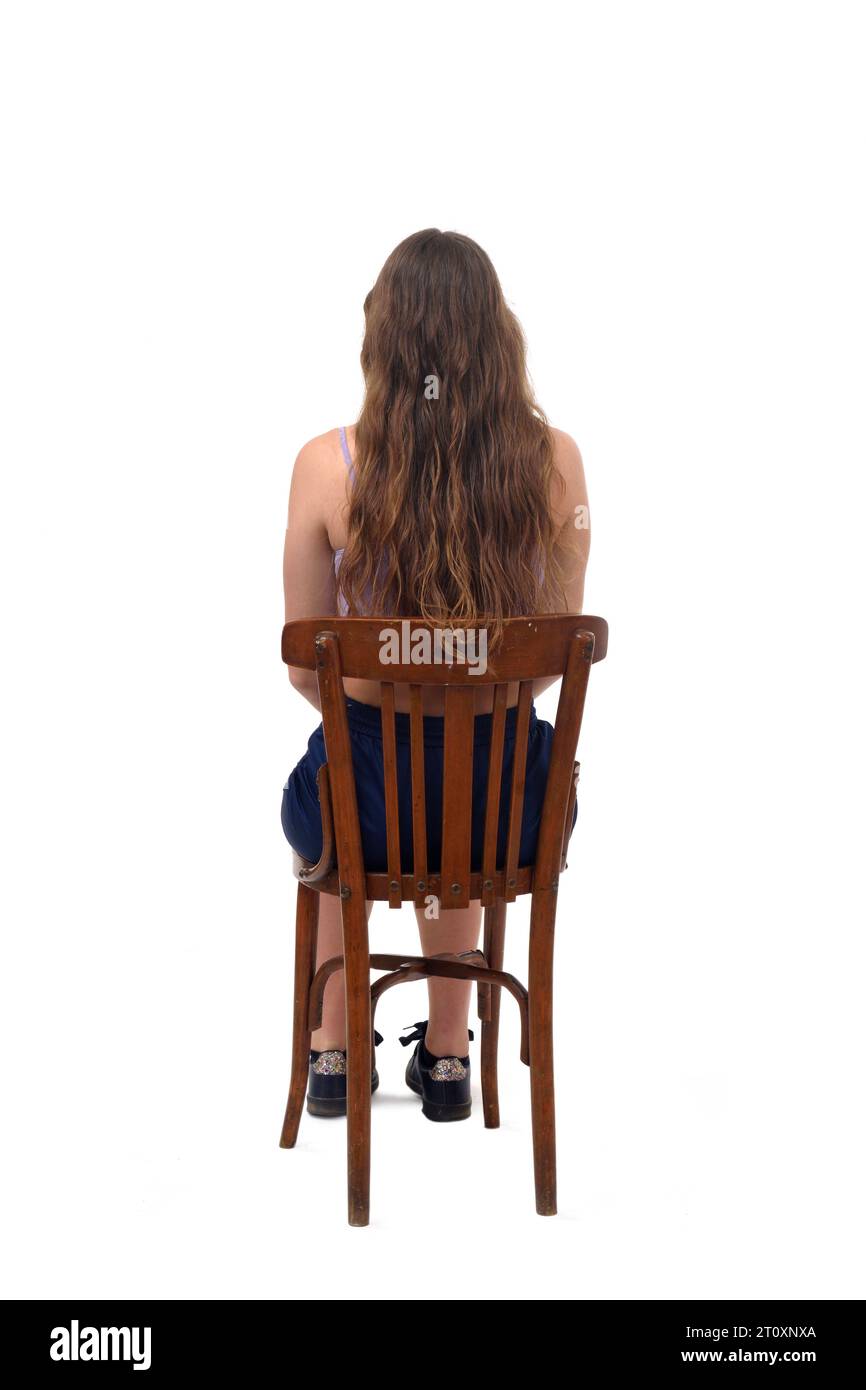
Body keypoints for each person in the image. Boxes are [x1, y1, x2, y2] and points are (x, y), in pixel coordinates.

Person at [281, 229, 590, 1122]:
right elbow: (550, 651)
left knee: (335, 795)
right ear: (497, 336)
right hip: (510, 806)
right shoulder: (557, 463)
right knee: (466, 784)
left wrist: (379, 704)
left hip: (362, 798)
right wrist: (470, 692)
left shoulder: (323, 467)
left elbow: (308, 664)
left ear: (383, 336)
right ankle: (449, 1061)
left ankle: (333, 1055)